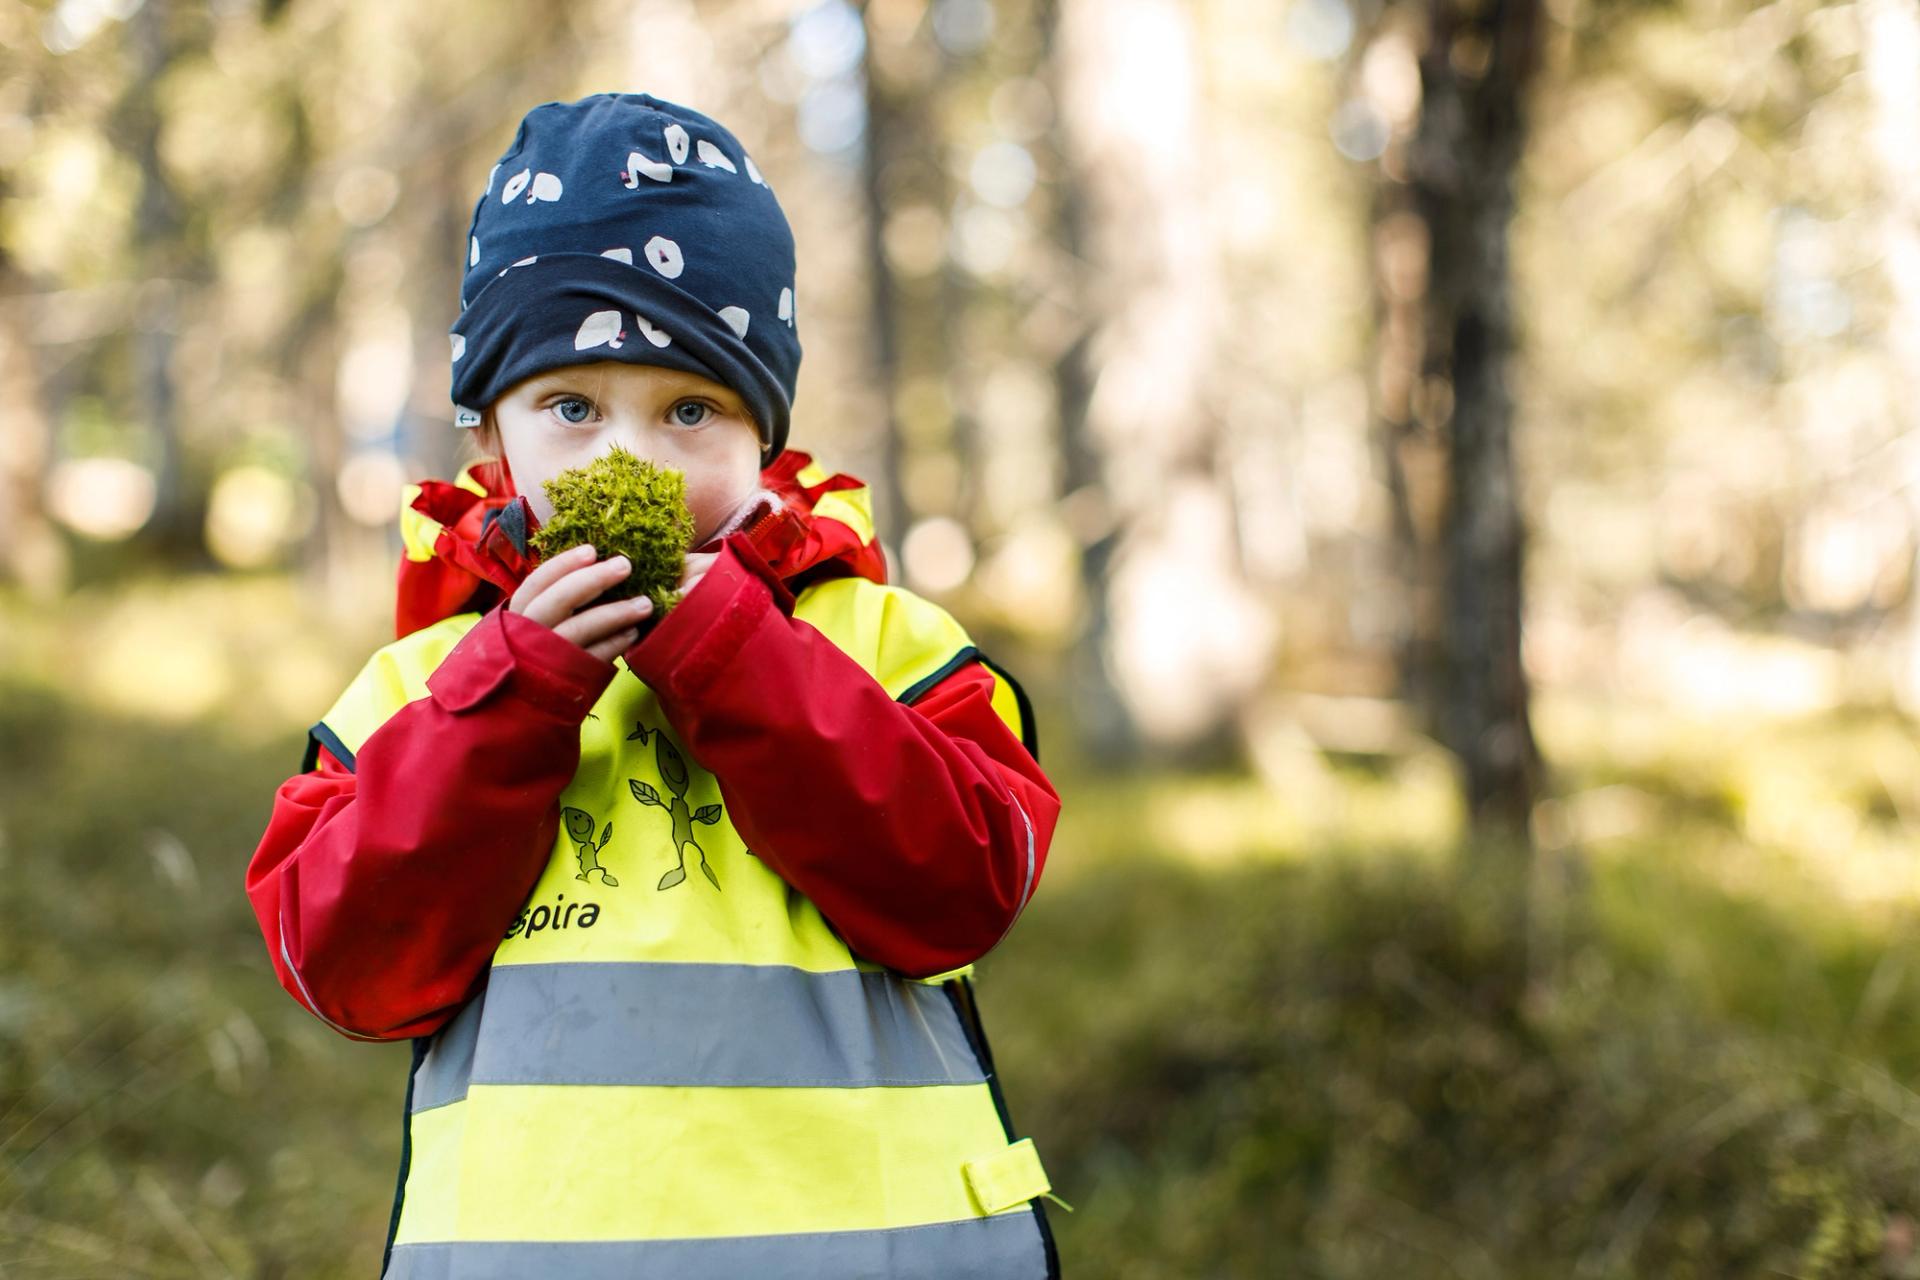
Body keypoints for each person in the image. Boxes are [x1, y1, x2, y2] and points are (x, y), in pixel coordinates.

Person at [243, 92, 1065, 1279]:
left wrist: (735, 651)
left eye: (690, 409)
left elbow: (966, 888)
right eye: (572, 407)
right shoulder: (418, 684)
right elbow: (347, 968)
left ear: (763, 436)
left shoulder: (887, 642)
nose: (628, 458)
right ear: (493, 442)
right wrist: (510, 697)